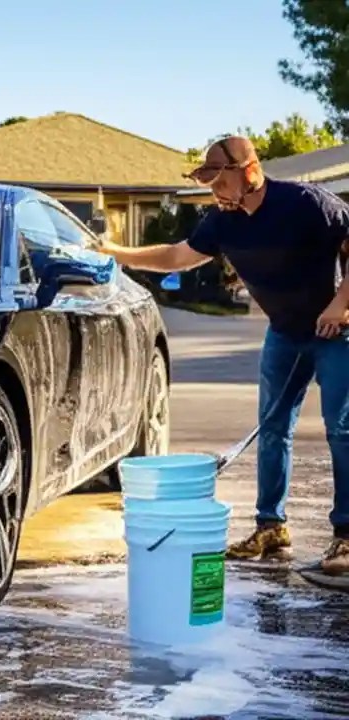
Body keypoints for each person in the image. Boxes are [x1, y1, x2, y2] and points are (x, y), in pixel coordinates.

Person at [96, 135, 349, 574]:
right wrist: (117, 255)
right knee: (273, 430)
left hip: (335, 332)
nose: (215, 191)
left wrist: (341, 304)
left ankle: (346, 536)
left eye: (219, 181)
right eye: (209, 183)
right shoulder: (222, 221)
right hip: (285, 333)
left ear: (249, 171)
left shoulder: (307, 204)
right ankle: (271, 527)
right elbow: (177, 255)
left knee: (341, 431)